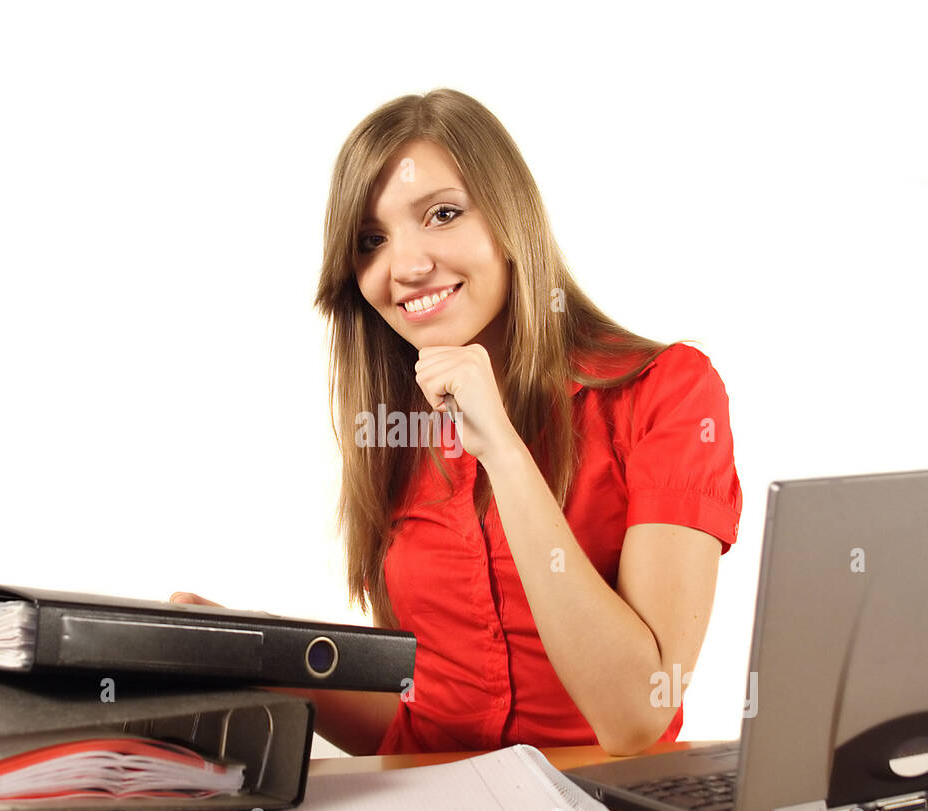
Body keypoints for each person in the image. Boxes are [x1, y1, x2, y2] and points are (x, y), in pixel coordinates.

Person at [172, 89, 742, 757]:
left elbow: (633, 717)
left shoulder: (666, 391)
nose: (407, 267)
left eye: (442, 214)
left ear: (510, 219)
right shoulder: (395, 427)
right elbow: (427, 716)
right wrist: (259, 651)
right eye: (371, 241)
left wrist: (500, 446)